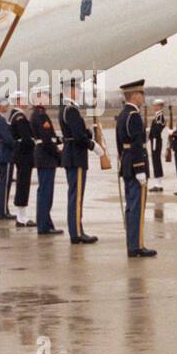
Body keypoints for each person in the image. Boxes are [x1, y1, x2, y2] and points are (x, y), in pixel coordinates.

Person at [115, 80, 156, 258]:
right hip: (135, 164)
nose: (143, 97)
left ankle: (133, 244)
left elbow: (120, 143)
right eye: (141, 94)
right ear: (134, 95)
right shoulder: (133, 116)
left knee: (131, 206)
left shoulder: (123, 114)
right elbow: (137, 144)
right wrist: (140, 169)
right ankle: (136, 246)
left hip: (126, 163)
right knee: (136, 207)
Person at [59, 75, 99, 245]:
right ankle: (76, 232)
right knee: (76, 196)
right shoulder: (71, 109)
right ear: (70, 90)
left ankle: (77, 229)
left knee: (75, 195)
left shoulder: (67, 108)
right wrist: (93, 146)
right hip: (76, 156)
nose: (80, 92)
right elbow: (77, 136)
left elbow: (76, 132)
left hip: (72, 154)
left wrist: (88, 131)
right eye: (78, 89)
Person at [30, 87, 63, 236]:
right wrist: (57, 153)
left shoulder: (39, 114)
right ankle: (44, 226)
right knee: (45, 193)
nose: (49, 98)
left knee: (44, 191)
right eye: (46, 96)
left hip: (43, 155)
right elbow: (47, 139)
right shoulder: (41, 115)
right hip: (45, 156)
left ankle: (46, 223)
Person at [8, 92, 35, 228]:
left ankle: (21, 216)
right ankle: (21, 217)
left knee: (22, 184)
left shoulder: (16, 115)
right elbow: (26, 139)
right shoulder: (19, 117)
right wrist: (35, 143)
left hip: (21, 154)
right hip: (24, 154)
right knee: (23, 185)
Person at [0, 99, 15, 220]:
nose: (8, 106)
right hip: (5, 153)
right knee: (5, 184)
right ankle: (2, 211)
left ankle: (3, 209)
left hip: (3, 153)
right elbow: (8, 138)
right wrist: (17, 146)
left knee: (5, 183)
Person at [147, 99, 166, 193]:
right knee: (155, 160)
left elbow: (159, 129)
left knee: (156, 160)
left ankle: (158, 184)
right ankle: (157, 183)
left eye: (155, 105)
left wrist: (151, 133)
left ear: (159, 106)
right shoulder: (157, 116)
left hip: (156, 140)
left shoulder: (160, 116)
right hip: (154, 140)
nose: (154, 107)